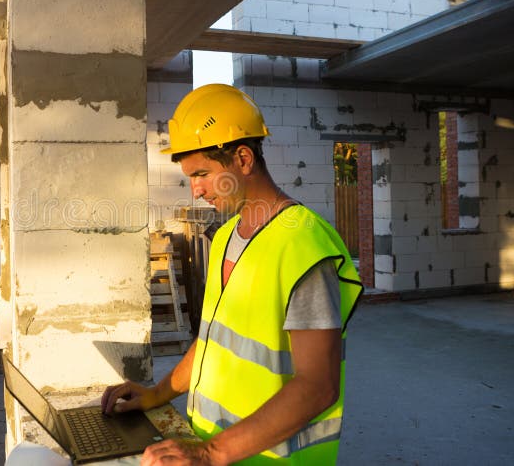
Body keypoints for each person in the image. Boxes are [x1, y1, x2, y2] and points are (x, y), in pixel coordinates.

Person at [102, 84, 362, 465]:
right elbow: (212, 341)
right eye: (191, 177)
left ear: (242, 158)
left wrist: (209, 453)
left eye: (203, 173)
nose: (196, 191)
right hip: (215, 449)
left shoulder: (303, 247)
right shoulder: (224, 237)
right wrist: (156, 394)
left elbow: (318, 386)